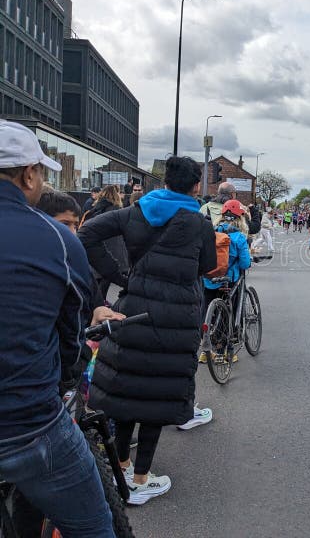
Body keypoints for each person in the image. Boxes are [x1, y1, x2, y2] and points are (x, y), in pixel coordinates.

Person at [0, 120, 124, 536]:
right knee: (94, 526)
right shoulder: (57, 239)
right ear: (28, 175)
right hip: (26, 425)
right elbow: (70, 335)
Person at [78, 156, 217, 505]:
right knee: (159, 392)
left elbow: (87, 234)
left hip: (132, 312)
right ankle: (141, 479)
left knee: (128, 388)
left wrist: (121, 275)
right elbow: (208, 266)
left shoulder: (135, 212)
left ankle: (122, 467)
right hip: (176, 317)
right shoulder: (199, 223)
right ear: (195, 186)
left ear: (165, 181)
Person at [200, 199, 252, 363]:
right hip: (228, 282)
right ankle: (222, 352)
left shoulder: (211, 233)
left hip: (209, 279)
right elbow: (244, 263)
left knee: (207, 313)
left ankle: (205, 351)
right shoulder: (238, 237)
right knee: (227, 314)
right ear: (240, 218)